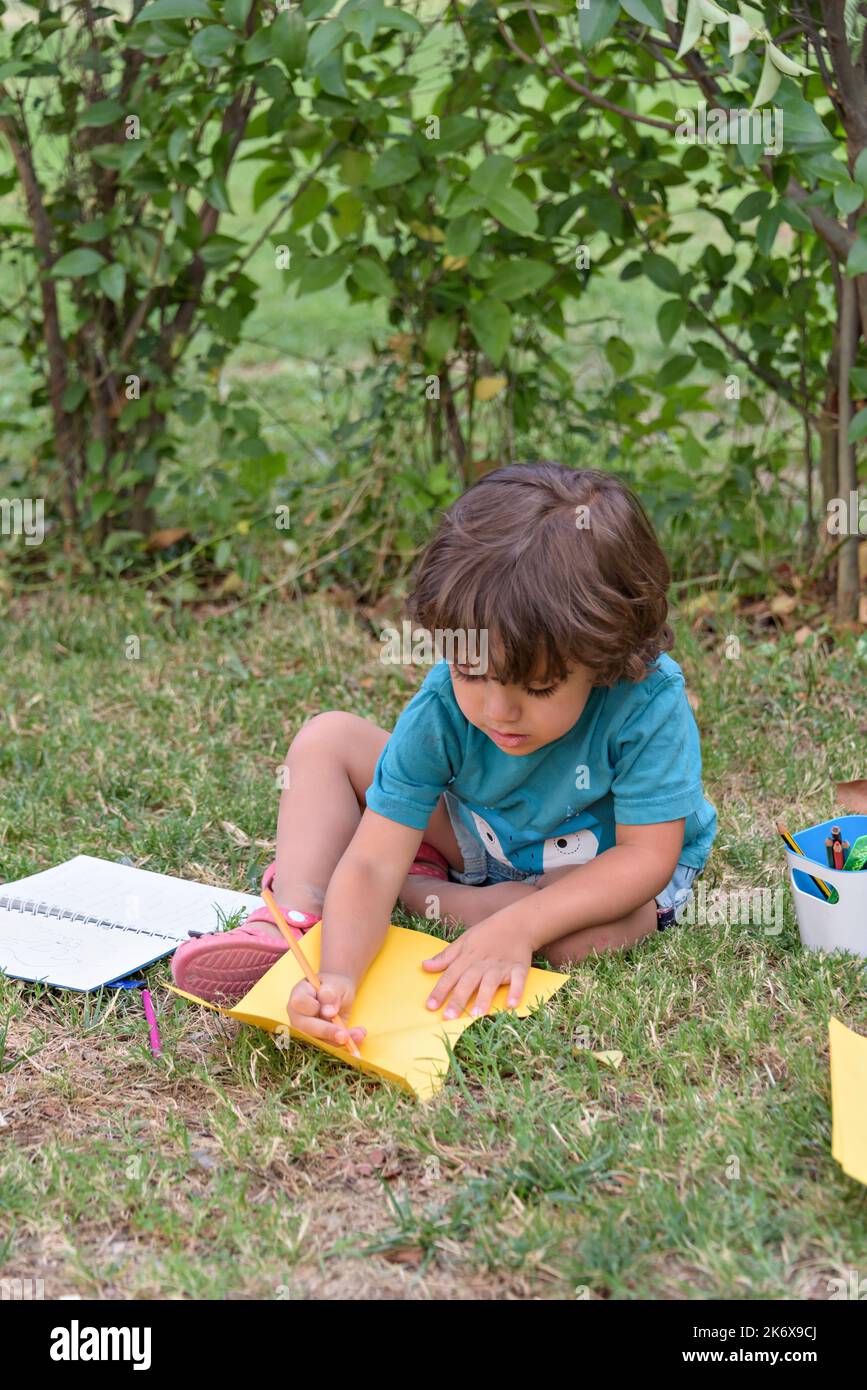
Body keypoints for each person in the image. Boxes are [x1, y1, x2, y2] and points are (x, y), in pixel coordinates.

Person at [172, 461, 717, 1051]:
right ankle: (300, 920)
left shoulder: (647, 701)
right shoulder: (443, 706)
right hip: (480, 834)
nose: (496, 711)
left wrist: (521, 924)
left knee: (578, 941)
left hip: (602, 865)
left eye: (537, 689)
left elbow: (645, 860)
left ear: (606, 656)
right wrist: (336, 977)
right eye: (470, 673)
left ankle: (430, 894)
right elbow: (372, 862)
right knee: (327, 739)